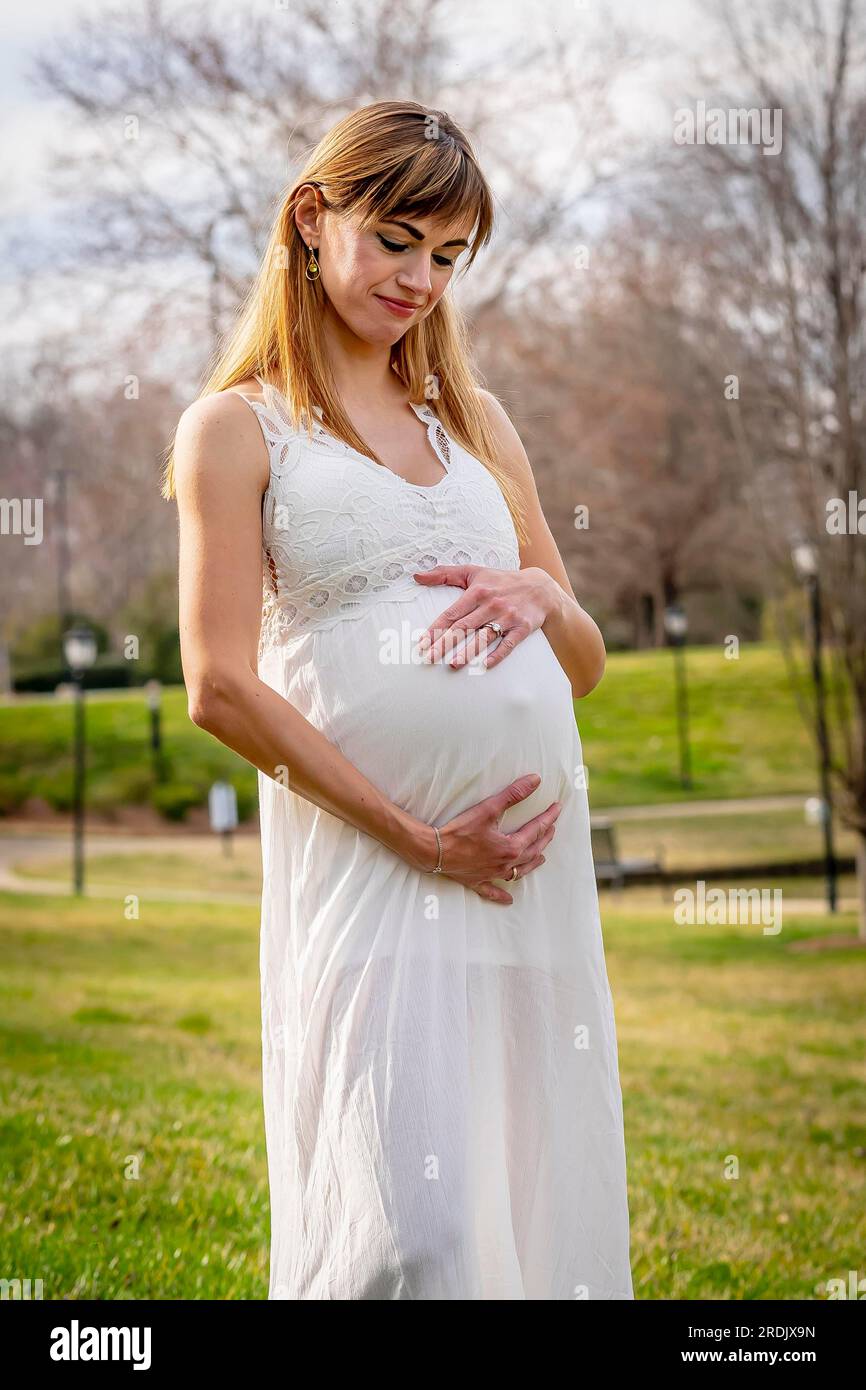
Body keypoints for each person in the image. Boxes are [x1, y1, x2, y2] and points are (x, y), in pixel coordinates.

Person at [165, 100, 633, 1300]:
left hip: (524, 877)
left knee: (522, 1205)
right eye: (395, 240)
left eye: (446, 255)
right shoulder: (234, 429)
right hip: (378, 869)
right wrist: (417, 836)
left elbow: (581, 661)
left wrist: (539, 594)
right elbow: (217, 686)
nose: (420, 278)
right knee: (403, 1233)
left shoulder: (475, 425)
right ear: (313, 221)